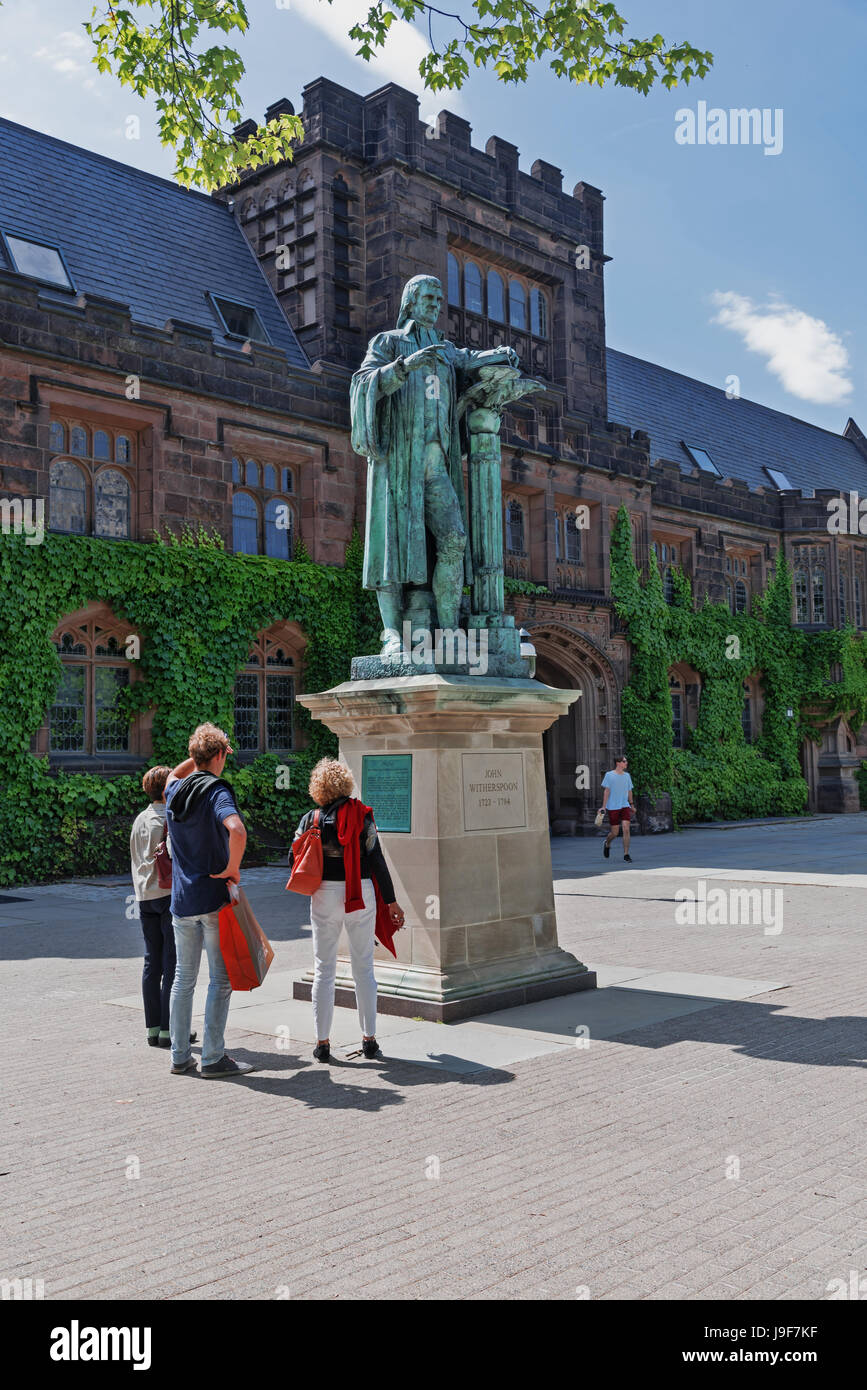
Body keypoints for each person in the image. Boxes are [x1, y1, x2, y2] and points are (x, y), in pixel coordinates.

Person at [290, 758, 405, 1062]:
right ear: (346, 783)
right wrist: (391, 900)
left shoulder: (309, 819)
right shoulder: (362, 817)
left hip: (323, 893)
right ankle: (369, 1040)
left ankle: (322, 1043)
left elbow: (294, 859)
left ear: (318, 787)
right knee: (363, 967)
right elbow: (377, 859)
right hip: (360, 892)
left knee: (323, 968)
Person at [165, 723, 253, 1079]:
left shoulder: (174, 791)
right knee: (221, 979)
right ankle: (214, 1057)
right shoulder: (216, 791)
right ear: (220, 756)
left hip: (182, 900)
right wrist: (232, 868)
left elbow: (172, 773)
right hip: (213, 899)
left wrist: (198, 755)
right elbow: (237, 829)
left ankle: (179, 1055)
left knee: (183, 979)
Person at [129, 765, 195, 1051]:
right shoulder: (169, 819)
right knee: (172, 964)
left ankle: (152, 1028)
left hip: (144, 896)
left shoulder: (140, 820)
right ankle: (170, 1030)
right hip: (168, 894)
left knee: (151, 963)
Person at [600, 754, 636, 862]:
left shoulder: (627, 776)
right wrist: (603, 807)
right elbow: (606, 791)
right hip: (613, 807)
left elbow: (629, 791)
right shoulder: (609, 775)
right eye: (624, 761)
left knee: (626, 829)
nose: (626, 763)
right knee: (614, 833)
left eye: (626, 761)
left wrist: (632, 805)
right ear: (618, 763)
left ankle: (626, 854)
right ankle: (607, 843)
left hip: (624, 805)